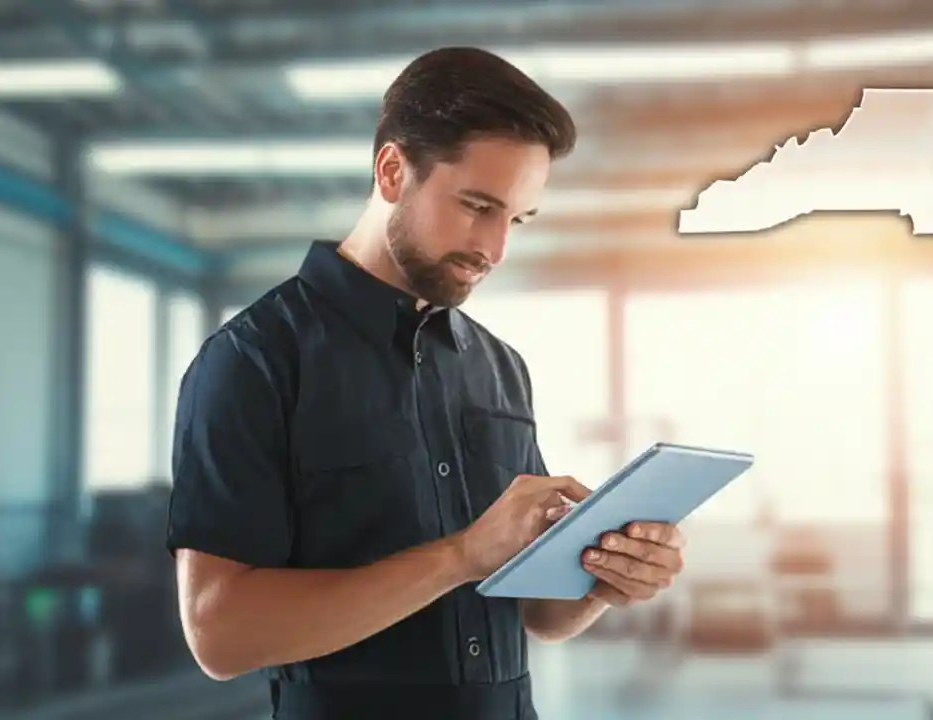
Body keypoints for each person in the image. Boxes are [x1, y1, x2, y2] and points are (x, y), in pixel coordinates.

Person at [166, 46, 686, 720]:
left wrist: (604, 580)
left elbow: (536, 613)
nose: (495, 249)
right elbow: (219, 633)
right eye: (477, 206)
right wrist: (460, 555)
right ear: (391, 170)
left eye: (517, 220)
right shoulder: (255, 360)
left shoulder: (500, 367)